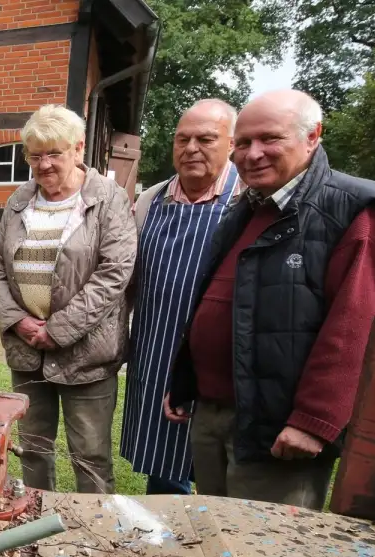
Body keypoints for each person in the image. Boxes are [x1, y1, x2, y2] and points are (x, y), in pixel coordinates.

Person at [165, 90, 375, 510]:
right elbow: (220, 300)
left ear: (313, 136)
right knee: (212, 536)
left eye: (269, 139)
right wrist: (188, 380)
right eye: (242, 143)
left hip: (279, 427)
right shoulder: (248, 208)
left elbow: (358, 327)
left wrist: (315, 422)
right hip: (217, 411)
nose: (252, 154)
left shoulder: (353, 210)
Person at [0, 104, 137, 494]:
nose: (44, 164)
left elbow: (114, 272)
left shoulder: (109, 199)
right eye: (35, 156)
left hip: (86, 353)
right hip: (27, 349)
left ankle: (96, 531)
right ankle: (37, 521)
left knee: (90, 455)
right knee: (34, 448)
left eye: (54, 153)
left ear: (78, 148)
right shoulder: (19, 199)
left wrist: (59, 329)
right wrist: (19, 321)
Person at [121, 100, 242, 496]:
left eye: (206, 139)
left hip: (218, 356)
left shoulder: (247, 199)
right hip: (156, 344)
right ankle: (166, 531)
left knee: (217, 464)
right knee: (164, 451)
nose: (191, 148)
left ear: (232, 144)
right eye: (182, 139)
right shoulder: (150, 201)